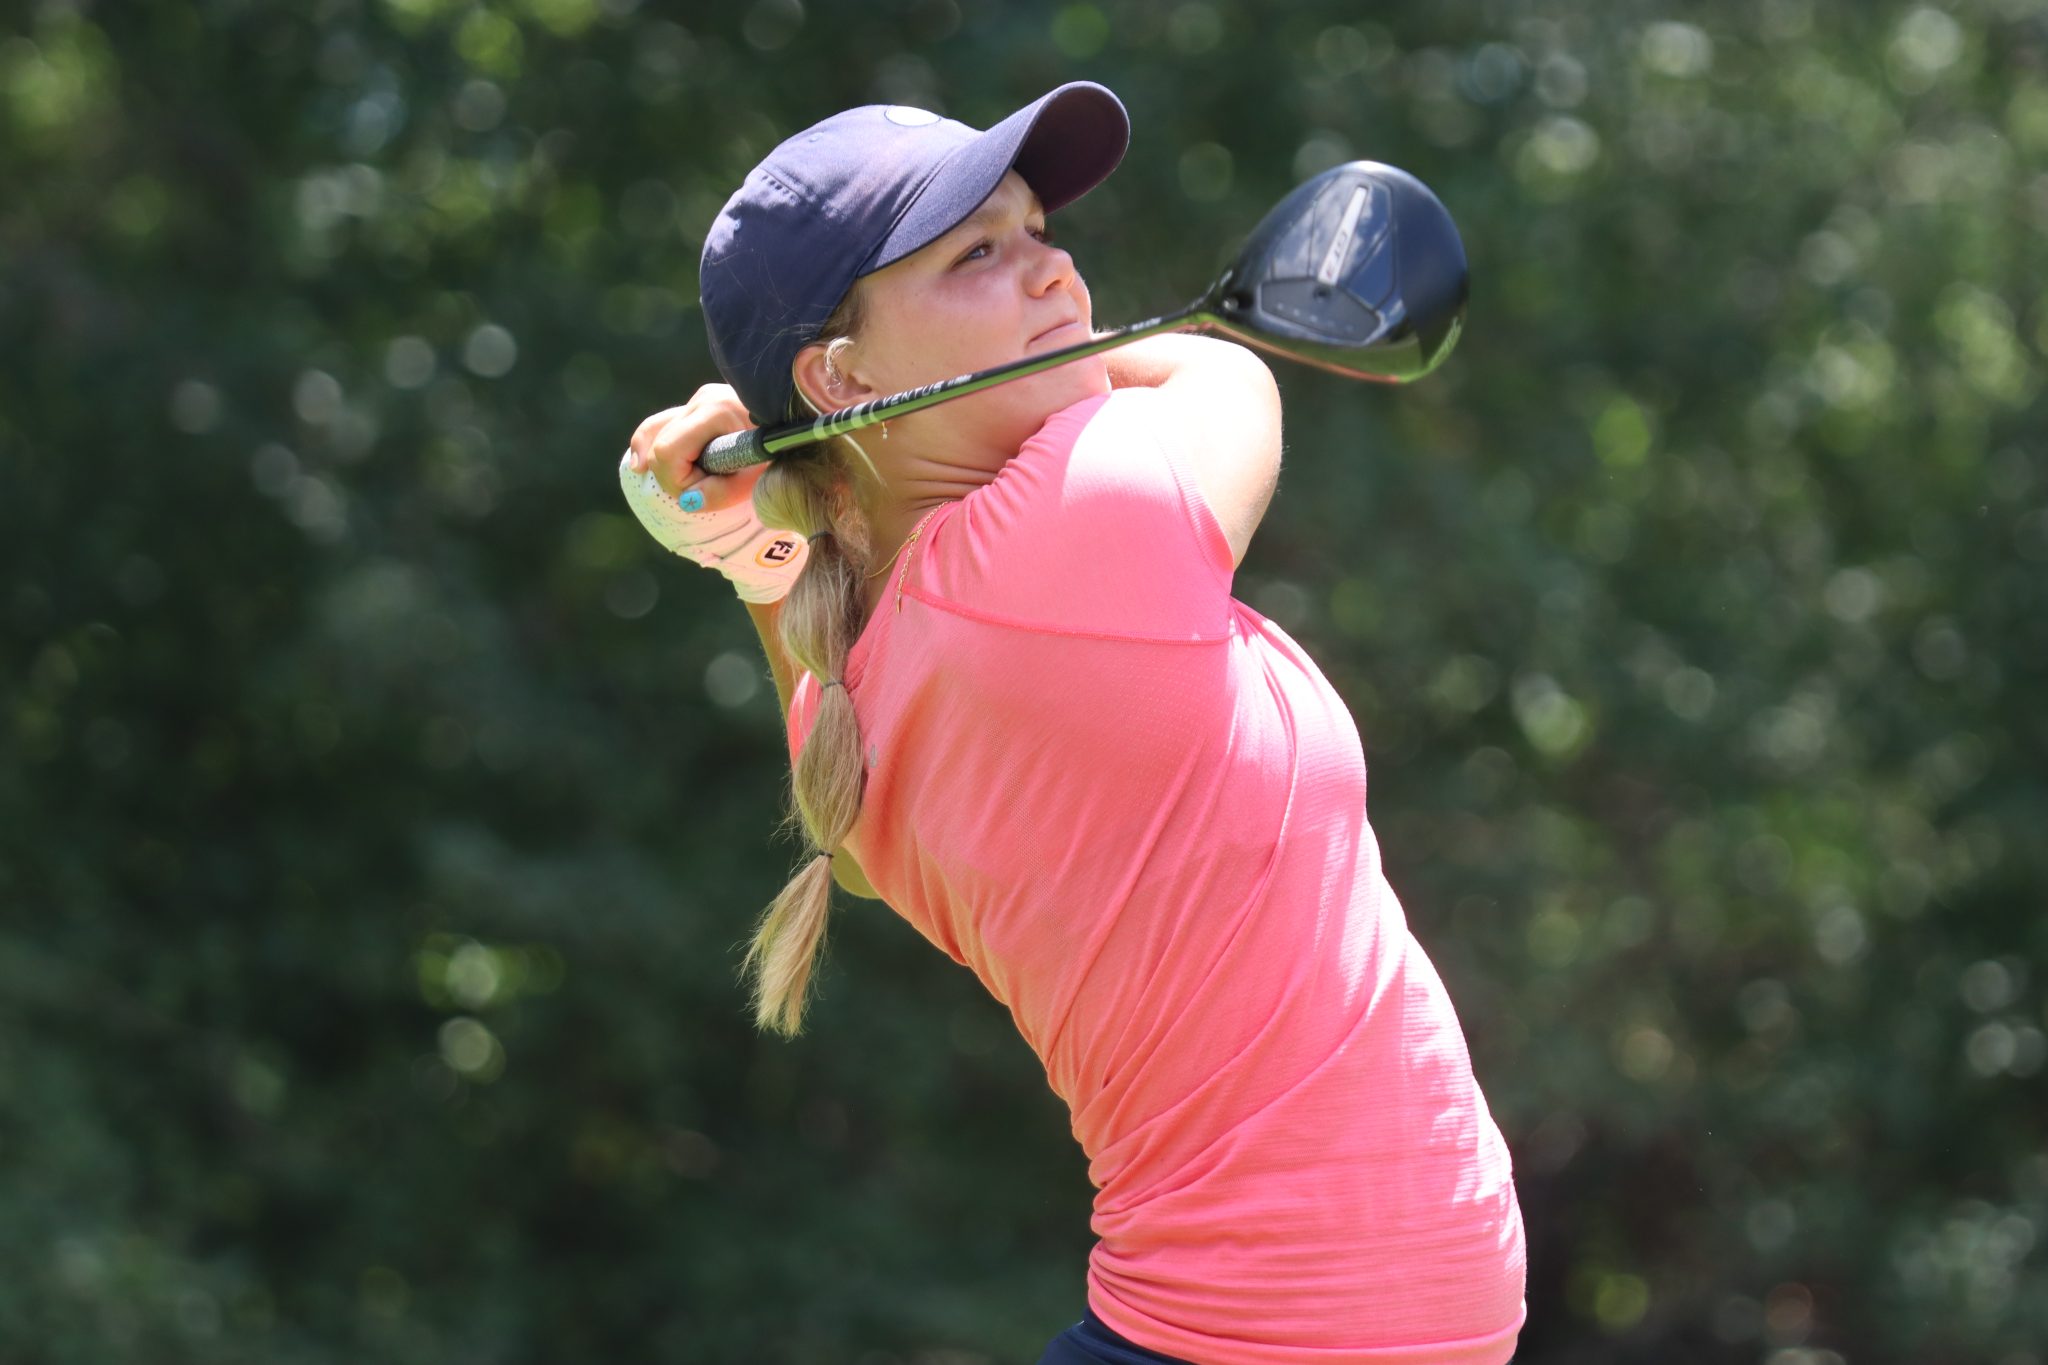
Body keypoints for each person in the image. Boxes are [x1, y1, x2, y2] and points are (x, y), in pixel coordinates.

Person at [619, 83, 1525, 1365]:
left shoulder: (857, 691)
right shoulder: (1065, 529)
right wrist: (777, 506)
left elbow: (855, 837)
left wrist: (760, 540)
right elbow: (1226, 366)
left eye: (1038, 228)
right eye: (976, 254)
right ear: (842, 374)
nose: (1051, 271)